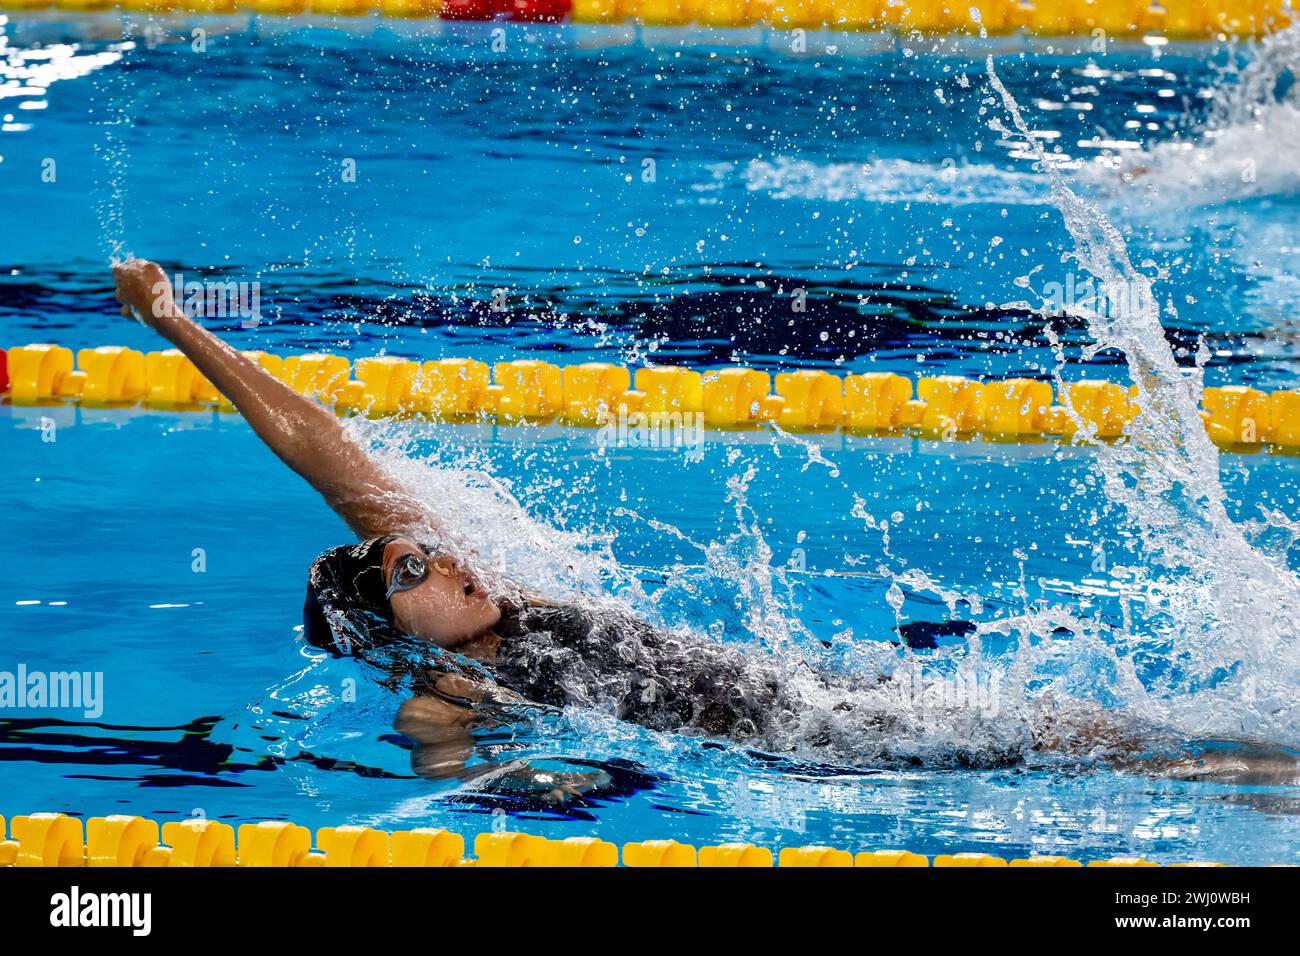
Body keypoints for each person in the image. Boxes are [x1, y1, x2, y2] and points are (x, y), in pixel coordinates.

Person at [111, 259, 1300, 795]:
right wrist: (529, 783)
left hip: (810, 691)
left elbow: (336, 459)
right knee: (1092, 740)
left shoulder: (497, 600)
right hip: (809, 747)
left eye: (429, 547)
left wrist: (180, 329)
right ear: (393, 621)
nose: (451, 557)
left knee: (1094, 730)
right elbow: (457, 781)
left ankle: (1265, 783)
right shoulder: (444, 687)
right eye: (418, 568)